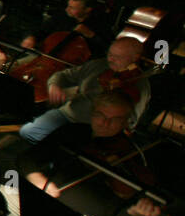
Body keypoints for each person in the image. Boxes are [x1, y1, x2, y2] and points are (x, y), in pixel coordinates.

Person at [20, 92, 165, 216]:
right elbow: (27, 158)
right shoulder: (73, 131)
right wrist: (36, 177)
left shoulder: (132, 152)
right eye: (99, 115)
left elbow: (114, 214)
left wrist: (135, 212)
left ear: (126, 122)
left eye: (115, 119)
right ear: (92, 114)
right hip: (44, 197)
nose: (104, 123)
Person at [19, 37, 150, 144]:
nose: (110, 59)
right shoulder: (99, 65)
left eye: (117, 57)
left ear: (134, 58)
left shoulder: (140, 84)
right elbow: (63, 75)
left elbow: (131, 121)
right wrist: (54, 85)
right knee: (28, 132)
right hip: (68, 114)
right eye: (110, 54)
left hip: (95, 128)